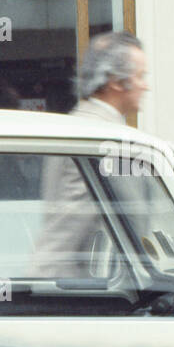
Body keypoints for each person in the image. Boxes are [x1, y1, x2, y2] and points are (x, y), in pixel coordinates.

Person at [29, 31, 149, 279]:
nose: (145, 85)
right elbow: (68, 224)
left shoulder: (81, 125)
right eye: (140, 76)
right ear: (116, 81)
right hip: (79, 293)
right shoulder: (104, 139)